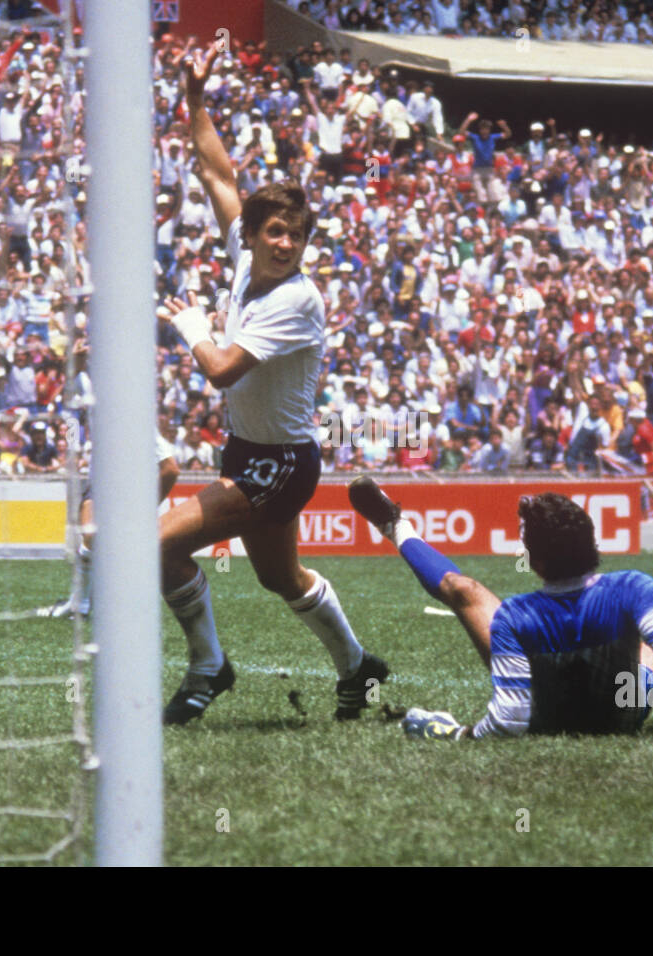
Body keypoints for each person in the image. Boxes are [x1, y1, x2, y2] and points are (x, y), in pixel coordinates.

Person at [153, 44, 389, 725]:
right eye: (276, 232)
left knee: (156, 547)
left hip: (281, 463)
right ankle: (358, 667)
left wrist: (193, 327)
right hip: (251, 453)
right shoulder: (244, 261)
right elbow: (217, 174)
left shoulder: (297, 300)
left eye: (297, 235)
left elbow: (223, 367)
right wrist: (195, 99)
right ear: (251, 236)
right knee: (279, 577)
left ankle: (208, 666)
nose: (287, 245)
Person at [346, 478, 653, 741]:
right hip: (624, 710)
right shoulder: (634, 585)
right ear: (594, 543)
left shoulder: (516, 614)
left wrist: (449, 731)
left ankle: (396, 526)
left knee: (462, 589)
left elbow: (508, 721)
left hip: (545, 706)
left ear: (535, 563)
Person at [38, 433, 180, 619]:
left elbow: (170, 469)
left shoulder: (136, 422)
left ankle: (80, 606)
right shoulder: (98, 416)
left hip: (120, 493)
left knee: (99, 546)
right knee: (90, 544)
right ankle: (78, 604)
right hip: (97, 487)